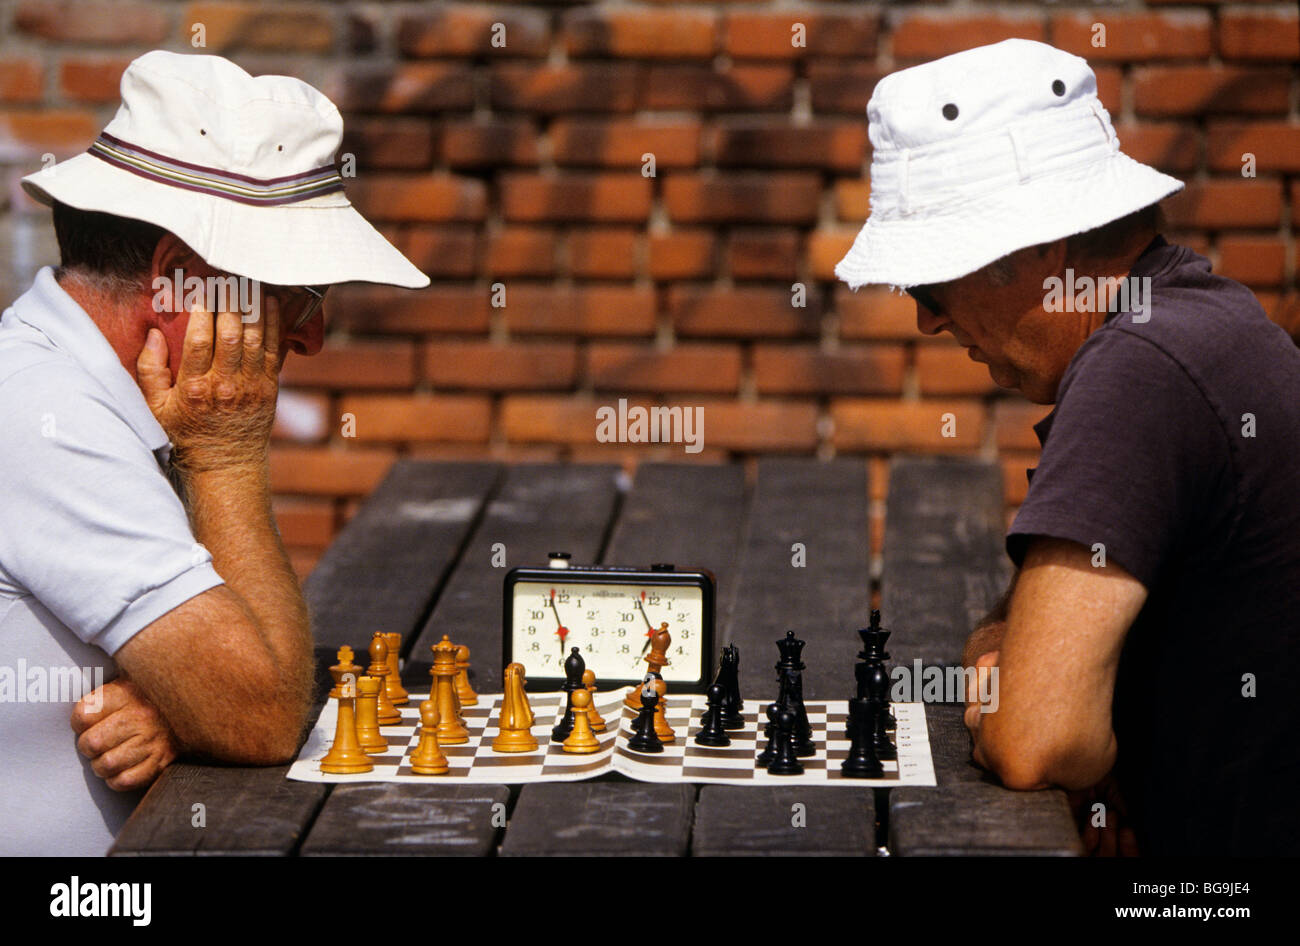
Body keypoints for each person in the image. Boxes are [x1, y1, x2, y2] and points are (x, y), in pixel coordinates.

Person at [835, 39, 1300, 855]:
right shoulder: (1192, 321)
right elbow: (1030, 617)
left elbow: (1036, 740)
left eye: (930, 282)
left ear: (1037, 250)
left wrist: (1017, 693)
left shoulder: (1138, 368)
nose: (927, 320)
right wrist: (1002, 648)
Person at [0, 50, 428, 855]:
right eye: (301, 291)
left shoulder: (80, 386)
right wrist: (227, 459)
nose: (312, 333)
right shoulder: (46, 412)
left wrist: (181, 704)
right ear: (185, 284)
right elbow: (263, 715)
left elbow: (233, 695)